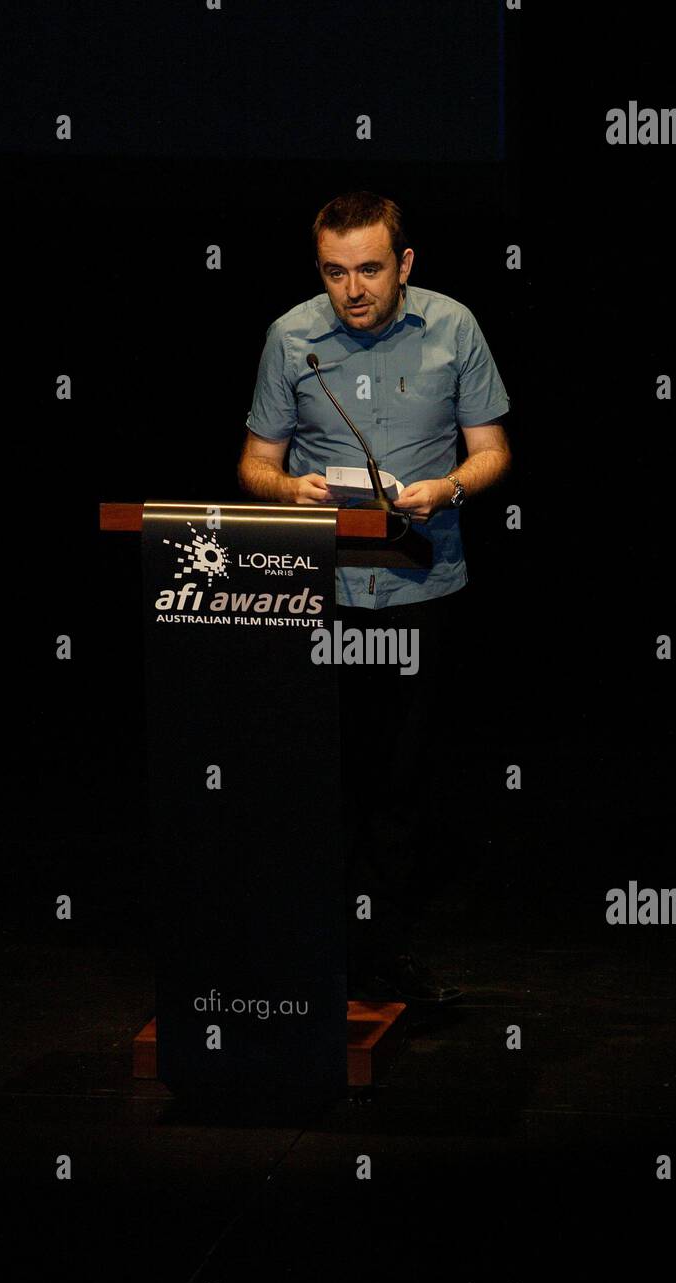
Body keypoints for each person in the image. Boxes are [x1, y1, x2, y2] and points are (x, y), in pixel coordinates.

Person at [237, 190, 511, 1004]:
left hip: (423, 588)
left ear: (404, 264)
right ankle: (308, 948)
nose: (352, 290)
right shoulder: (291, 338)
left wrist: (450, 487)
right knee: (321, 779)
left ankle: (382, 950)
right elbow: (254, 465)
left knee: (402, 783)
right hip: (318, 599)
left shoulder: (452, 328)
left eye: (368, 270)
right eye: (334, 272)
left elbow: (492, 450)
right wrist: (289, 492)